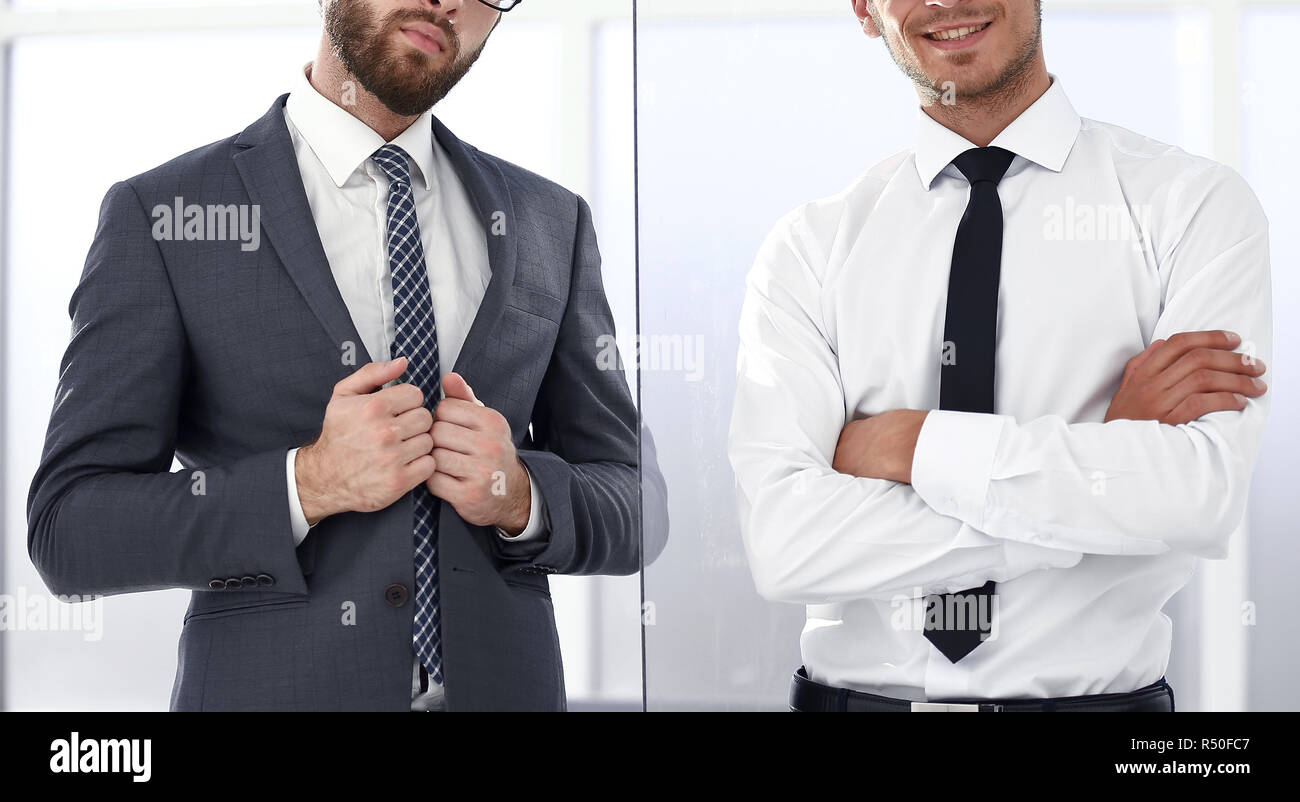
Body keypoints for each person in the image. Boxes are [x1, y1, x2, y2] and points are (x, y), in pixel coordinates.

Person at [27, 0, 657, 711]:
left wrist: (520, 493)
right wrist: (308, 484)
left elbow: (636, 505)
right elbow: (69, 529)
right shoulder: (165, 214)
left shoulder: (551, 220)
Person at [728, 0, 1272, 712]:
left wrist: (912, 445)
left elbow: (1196, 497)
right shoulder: (808, 247)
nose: (947, 2)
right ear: (864, 9)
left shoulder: (1192, 207)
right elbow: (788, 545)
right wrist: (1096, 466)